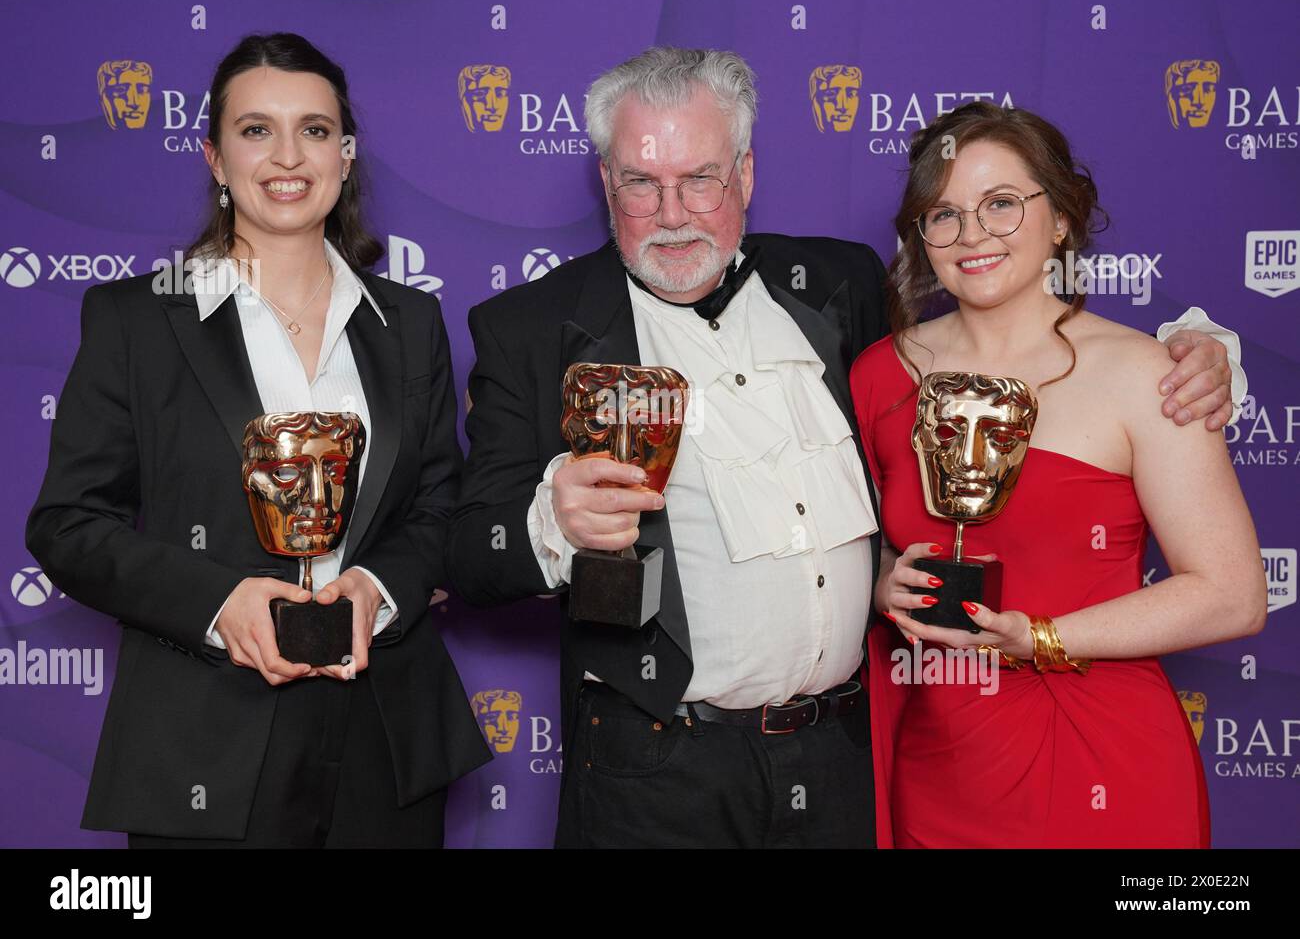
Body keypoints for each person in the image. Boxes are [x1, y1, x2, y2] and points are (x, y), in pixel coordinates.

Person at [444, 46, 1242, 848]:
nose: (675, 212)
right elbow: (474, 556)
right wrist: (554, 519)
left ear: (746, 175)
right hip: (654, 770)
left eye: (701, 178)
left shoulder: (838, 287)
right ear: (605, 182)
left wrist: (1201, 347)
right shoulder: (531, 328)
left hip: (839, 765)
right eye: (642, 184)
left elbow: (1014, 346)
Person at [26, 33, 489, 847]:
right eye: (255, 129)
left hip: (385, 737)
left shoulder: (410, 325)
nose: (287, 155)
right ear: (213, 156)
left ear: (345, 157)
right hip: (204, 742)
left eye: (314, 129)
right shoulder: (137, 320)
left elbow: (438, 509)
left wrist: (374, 588)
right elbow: (67, 525)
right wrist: (218, 602)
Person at [853, 101, 1267, 848]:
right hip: (938, 764)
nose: (972, 234)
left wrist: (1040, 637)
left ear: (1063, 220)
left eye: (1002, 205)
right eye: (943, 214)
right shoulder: (882, 373)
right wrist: (883, 579)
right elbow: (852, 548)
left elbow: (1233, 596)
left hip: (1099, 754)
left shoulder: (1149, 374)